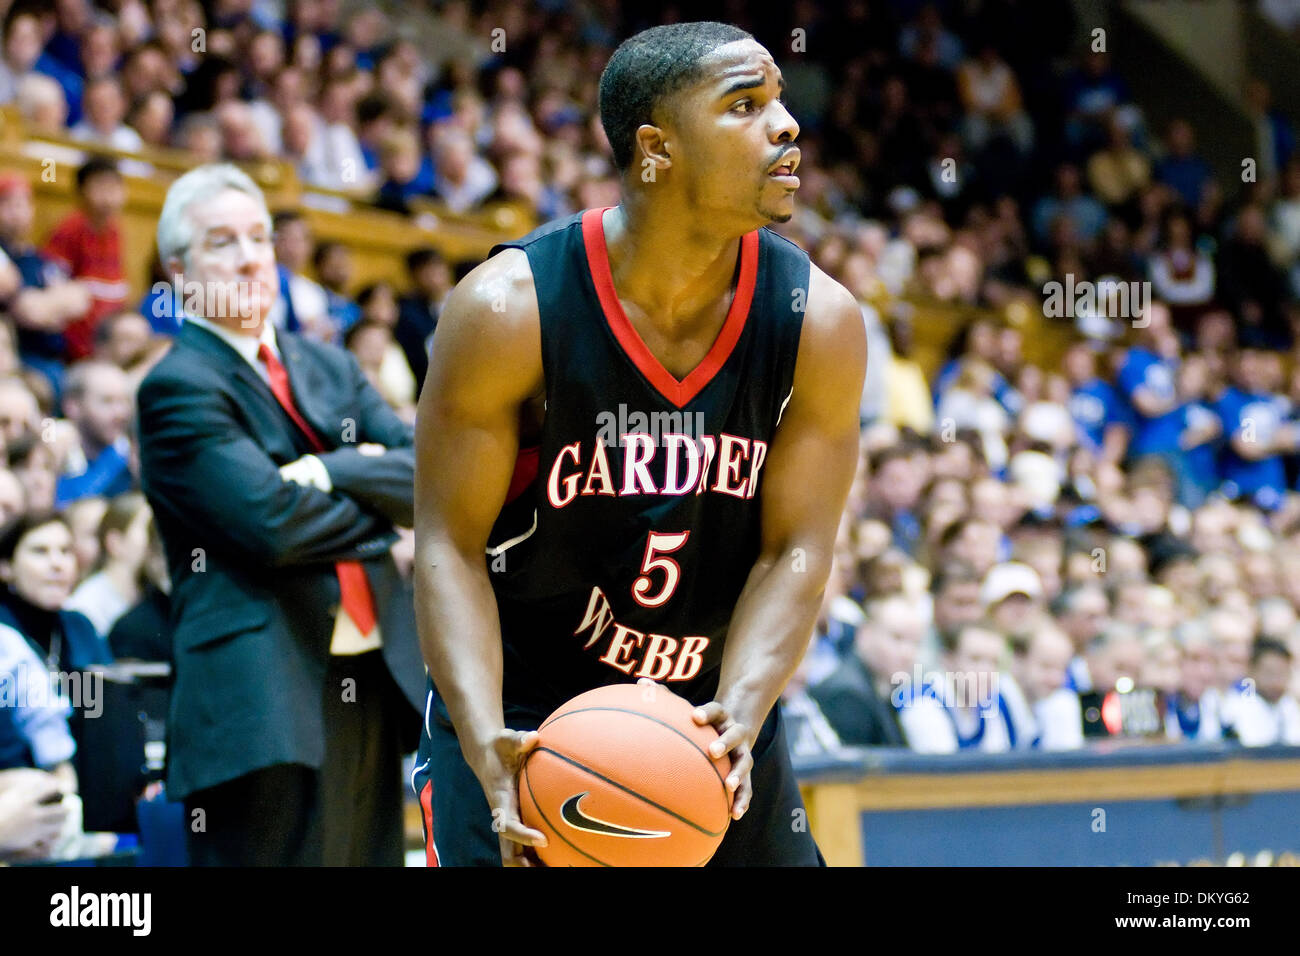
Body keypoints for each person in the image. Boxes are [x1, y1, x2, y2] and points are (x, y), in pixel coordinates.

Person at [412, 22, 866, 867]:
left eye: (778, 101)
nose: (787, 125)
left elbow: (799, 548)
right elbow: (448, 545)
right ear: (657, 148)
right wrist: (482, 737)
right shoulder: (511, 310)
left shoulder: (819, 321)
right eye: (744, 105)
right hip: (528, 720)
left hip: (709, 719)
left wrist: (741, 708)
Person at [137, 163, 425, 866]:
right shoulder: (177, 386)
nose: (249, 257)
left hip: (371, 675)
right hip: (258, 697)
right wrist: (381, 520)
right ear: (179, 270)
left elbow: (426, 476)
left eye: (260, 237)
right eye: (222, 242)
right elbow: (270, 523)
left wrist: (329, 469)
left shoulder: (330, 364)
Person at [64, 491, 151, 637]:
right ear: (115, 543)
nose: (156, 541)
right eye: (148, 530)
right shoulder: (86, 606)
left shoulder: (150, 594)